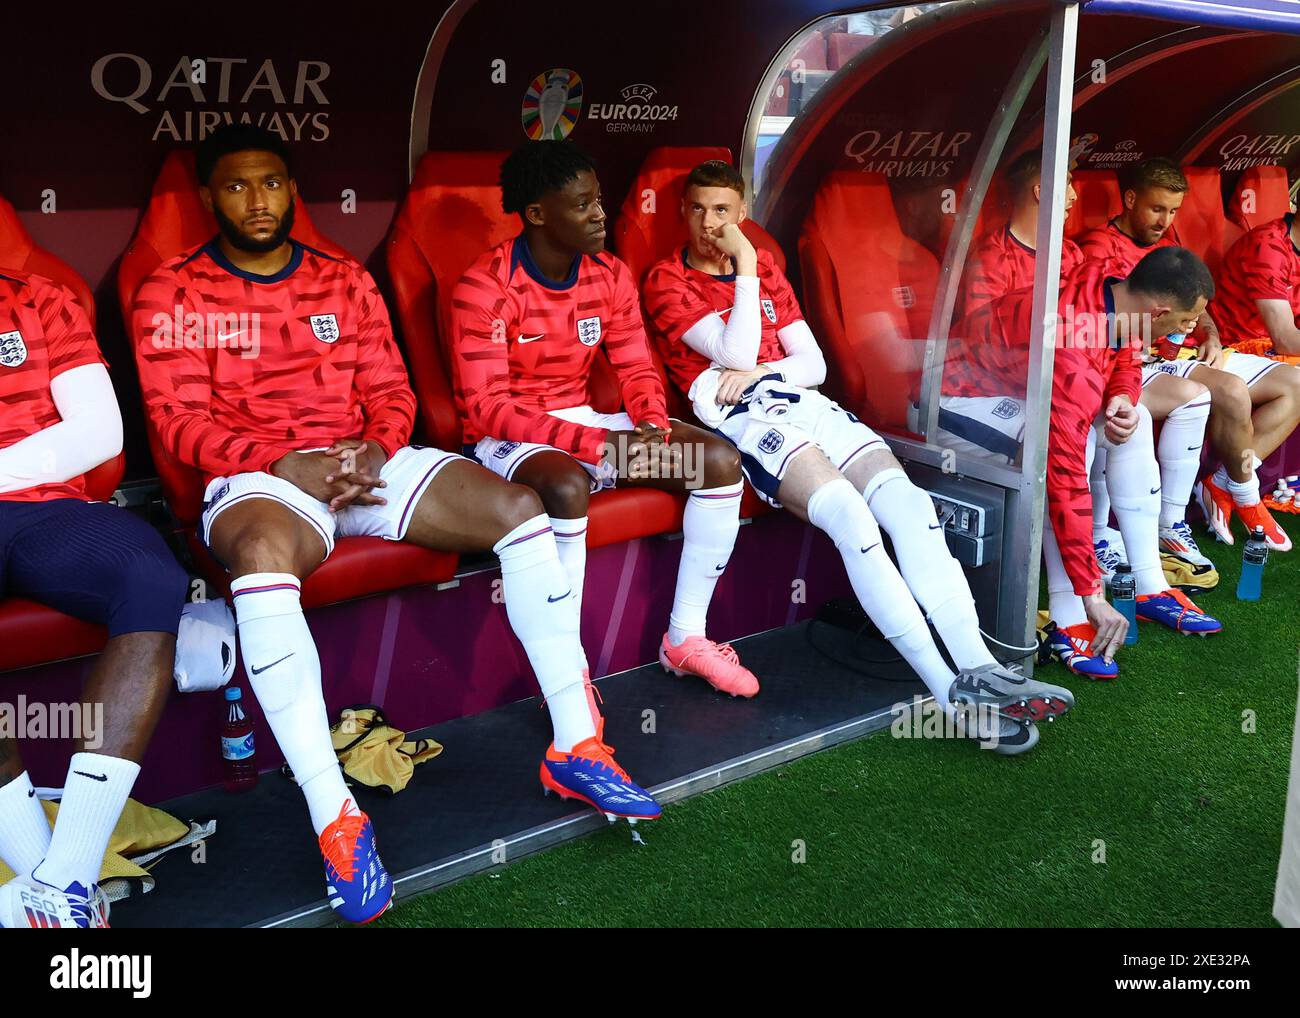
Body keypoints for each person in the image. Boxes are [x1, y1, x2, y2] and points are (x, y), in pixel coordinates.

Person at [131, 126, 660, 925]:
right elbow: (178, 424)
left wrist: (375, 445)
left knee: (520, 511)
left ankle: (576, 744)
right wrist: (287, 462)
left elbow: (393, 389)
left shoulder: (342, 278)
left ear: (291, 189)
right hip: (263, 477)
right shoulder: (172, 292)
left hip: (366, 458)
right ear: (209, 198)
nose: (257, 201)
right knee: (264, 555)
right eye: (236, 187)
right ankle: (335, 816)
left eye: (271, 184)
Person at [642, 159, 1078, 756]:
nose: (708, 223)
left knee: (912, 508)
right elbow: (734, 347)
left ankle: (982, 672)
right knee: (855, 522)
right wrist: (744, 264)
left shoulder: (766, 266)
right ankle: (950, 694)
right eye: (697, 209)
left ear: (740, 212)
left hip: (801, 399)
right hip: (740, 419)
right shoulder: (668, 278)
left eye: (722, 211)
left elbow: (812, 366)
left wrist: (760, 363)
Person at [451, 141, 759, 698]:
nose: (599, 214)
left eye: (599, 200)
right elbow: (486, 407)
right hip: (510, 439)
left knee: (715, 461)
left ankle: (686, 638)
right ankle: (570, 677)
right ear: (539, 213)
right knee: (567, 483)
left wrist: (649, 421)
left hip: (591, 428)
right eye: (582, 205)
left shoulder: (609, 273)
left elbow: (637, 364)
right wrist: (591, 443)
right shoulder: (485, 285)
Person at [0, 268, 188, 928]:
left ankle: (67, 876)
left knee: (151, 575)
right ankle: (50, 893)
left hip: (42, 508)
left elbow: (97, 433)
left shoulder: (33, 296)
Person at [1078, 158, 1298, 553]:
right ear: (1130, 199)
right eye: (1156, 208)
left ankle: (1229, 483)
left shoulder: (1168, 245)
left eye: (1173, 210)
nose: (1164, 220)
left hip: (1183, 351)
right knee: (1227, 393)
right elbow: (1096, 315)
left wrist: (1211, 334)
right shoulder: (1099, 247)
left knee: (1294, 384)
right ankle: (1227, 499)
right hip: (1134, 360)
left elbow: (1197, 306)